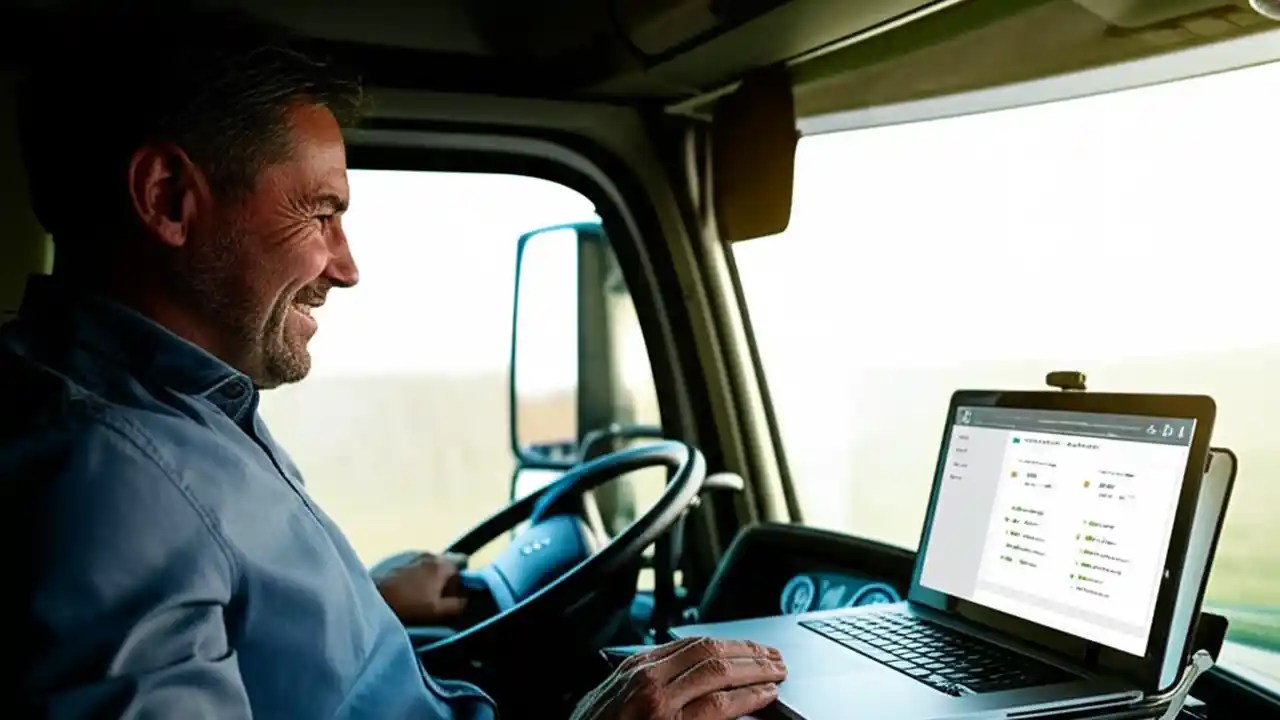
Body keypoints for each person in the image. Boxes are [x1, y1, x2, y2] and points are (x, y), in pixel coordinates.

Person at [0, 8, 787, 720]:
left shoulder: (173, 408)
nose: (345, 267)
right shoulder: (106, 478)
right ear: (169, 198)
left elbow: (230, 621)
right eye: (321, 212)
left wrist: (365, 600)